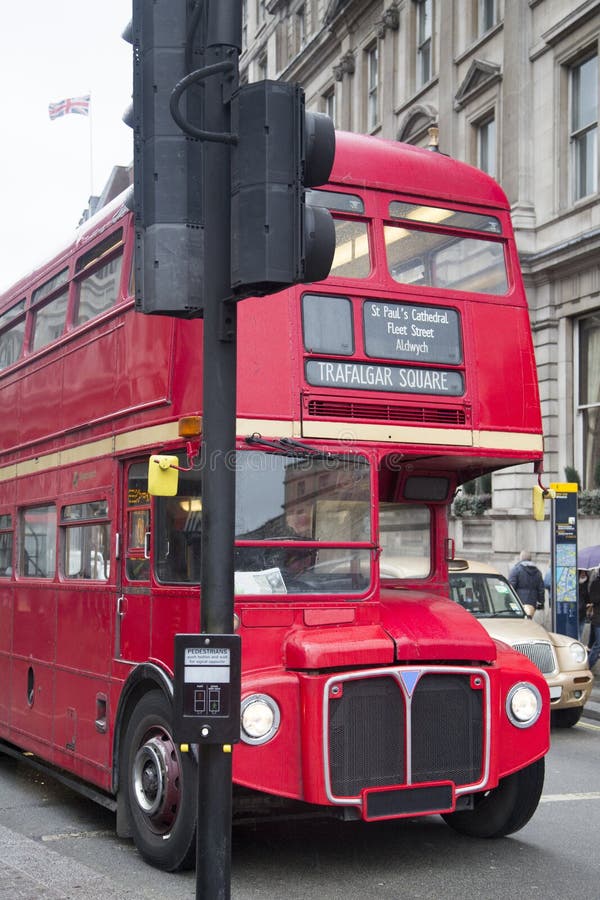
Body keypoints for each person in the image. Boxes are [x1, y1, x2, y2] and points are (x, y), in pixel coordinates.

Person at [508, 551, 545, 616]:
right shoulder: (537, 572)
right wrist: (541, 602)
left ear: (521, 558)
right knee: (528, 619)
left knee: (519, 619)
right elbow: (541, 589)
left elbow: (511, 587)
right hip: (532, 603)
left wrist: (507, 600)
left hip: (519, 602)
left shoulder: (516, 570)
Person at [587, 569, 600, 672]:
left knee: (593, 644)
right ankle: (586, 668)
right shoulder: (596, 583)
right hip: (598, 619)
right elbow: (593, 599)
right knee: (598, 645)